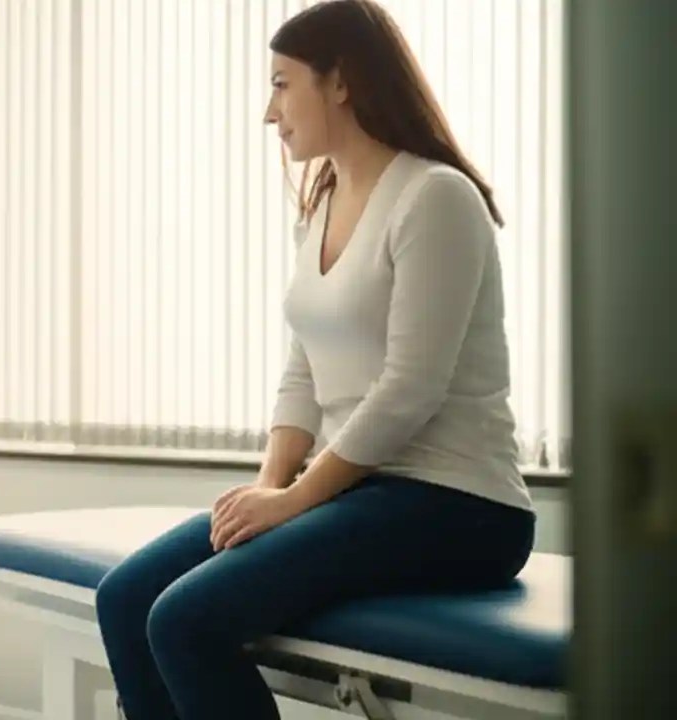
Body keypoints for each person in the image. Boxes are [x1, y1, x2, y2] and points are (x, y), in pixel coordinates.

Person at [94, 1, 536, 718]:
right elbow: (303, 371)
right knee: (125, 599)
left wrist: (297, 501)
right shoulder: (322, 204)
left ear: (341, 82)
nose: (270, 112)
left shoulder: (435, 198)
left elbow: (409, 390)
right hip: (363, 490)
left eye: (281, 83)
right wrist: (268, 490)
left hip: (458, 505)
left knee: (185, 621)